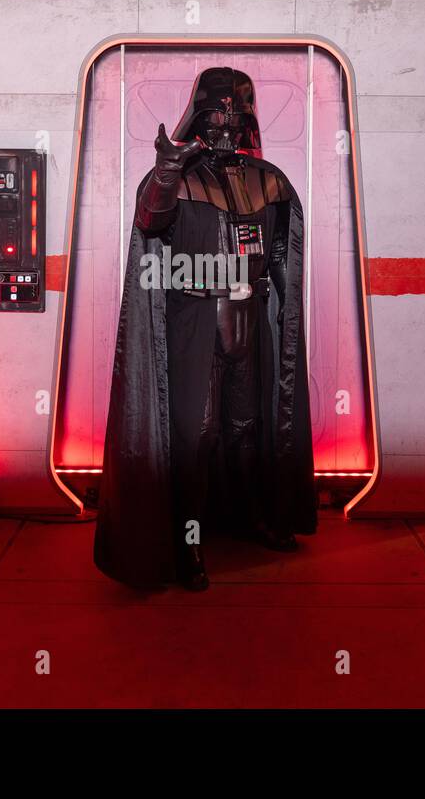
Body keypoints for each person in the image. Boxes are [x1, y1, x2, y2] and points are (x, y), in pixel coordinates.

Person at [93, 67, 316, 591]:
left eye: (236, 116)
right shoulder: (180, 175)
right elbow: (152, 220)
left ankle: (255, 516)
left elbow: (283, 251)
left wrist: (283, 312)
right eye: (216, 113)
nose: (226, 125)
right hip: (194, 321)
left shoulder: (270, 180)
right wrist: (168, 171)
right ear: (199, 114)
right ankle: (189, 541)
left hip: (251, 318)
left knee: (246, 428)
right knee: (196, 434)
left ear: (248, 121)